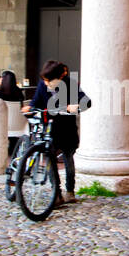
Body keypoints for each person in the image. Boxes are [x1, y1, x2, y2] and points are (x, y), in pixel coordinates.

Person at [28, 60, 88, 204]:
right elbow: (36, 102)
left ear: (60, 78)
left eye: (50, 81)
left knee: (68, 159)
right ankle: (56, 193)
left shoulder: (70, 84)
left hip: (66, 127)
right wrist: (30, 108)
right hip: (49, 127)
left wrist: (72, 106)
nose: (47, 84)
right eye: (45, 80)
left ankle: (70, 191)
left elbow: (86, 102)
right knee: (50, 160)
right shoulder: (43, 84)